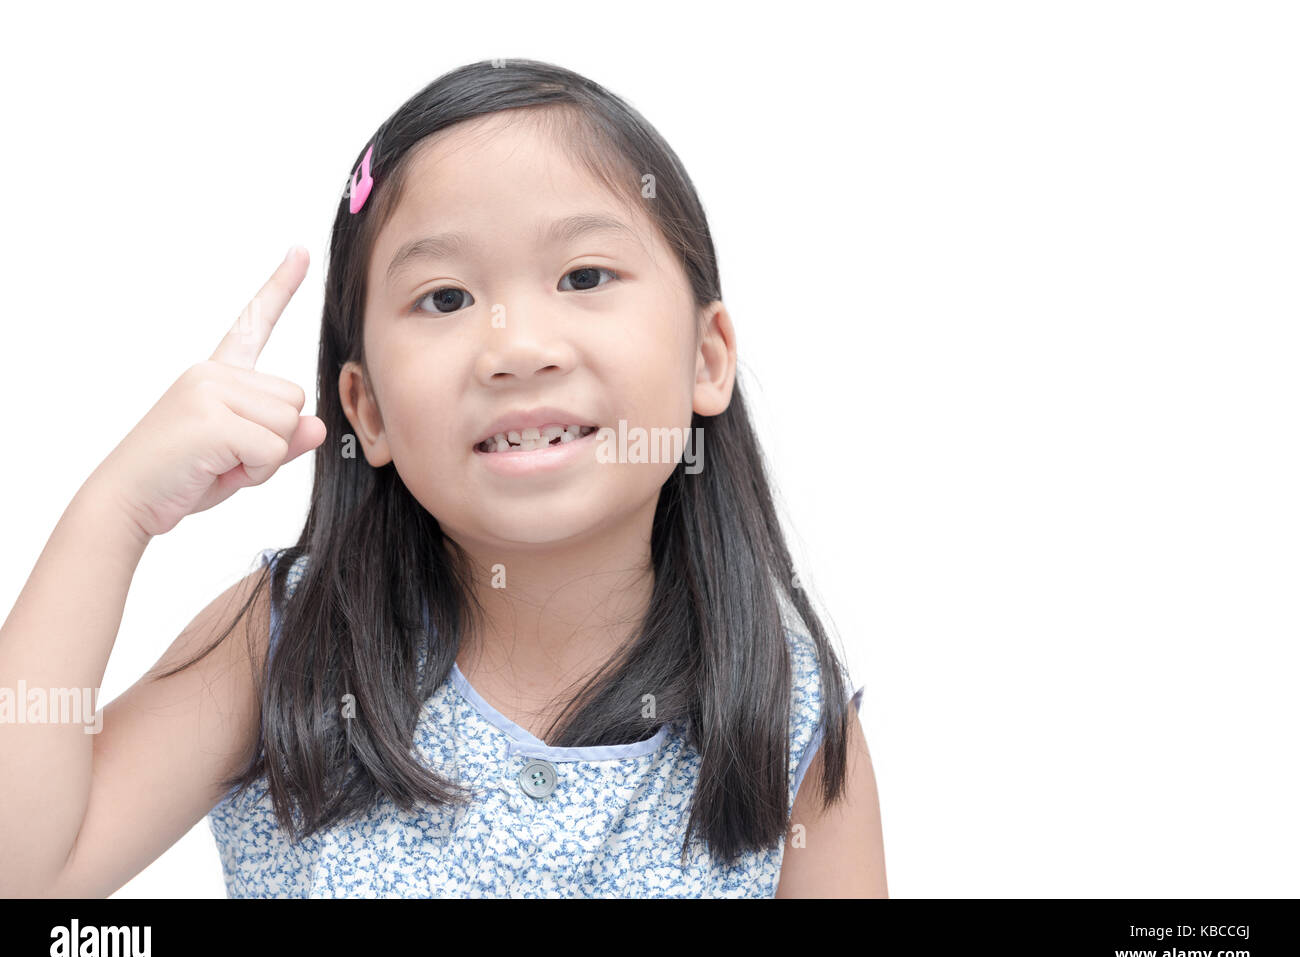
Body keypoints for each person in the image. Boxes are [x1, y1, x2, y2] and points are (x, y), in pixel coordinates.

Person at [0, 58, 886, 898]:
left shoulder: (796, 722)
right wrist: (113, 512)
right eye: (446, 298)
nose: (516, 348)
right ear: (369, 409)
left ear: (708, 358)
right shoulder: (286, 642)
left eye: (584, 275)